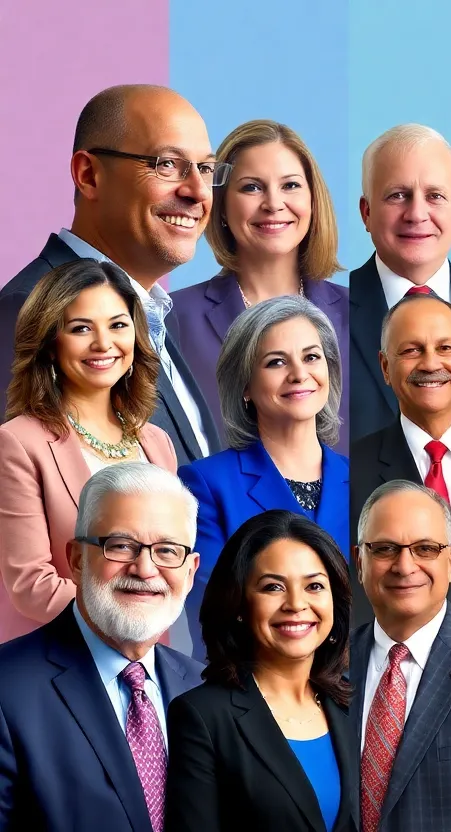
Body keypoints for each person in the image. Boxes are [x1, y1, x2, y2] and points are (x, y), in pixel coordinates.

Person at [0, 84, 222, 462]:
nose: (198, 192)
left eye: (205, 168)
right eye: (167, 164)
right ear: (89, 175)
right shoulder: (29, 309)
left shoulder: (156, 317)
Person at [0, 463, 203, 831]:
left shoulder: (205, 687)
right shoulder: (7, 689)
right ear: (77, 560)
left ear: (189, 572)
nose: (145, 569)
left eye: (167, 550)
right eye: (121, 546)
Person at [0, 259, 177, 642]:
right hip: (58, 657)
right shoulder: (18, 442)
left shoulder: (157, 443)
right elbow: (31, 584)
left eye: (118, 325)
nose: (103, 343)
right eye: (81, 328)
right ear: (50, 344)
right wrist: (130, 612)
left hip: (146, 657)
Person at [164, 510, 358, 832]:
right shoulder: (202, 717)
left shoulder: (358, 702)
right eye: (273, 587)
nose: (296, 604)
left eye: (314, 586)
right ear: (239, 604)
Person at [177, 297, 349, 659]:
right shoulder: (205, 484)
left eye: (311, 357)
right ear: (245, 385)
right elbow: (215, 616)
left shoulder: (364, 483)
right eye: (276, 362)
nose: (299, 374)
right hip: (248, 683)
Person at [168, 120, 350, 453]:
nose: (273, 203)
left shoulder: (363, 316)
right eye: (252, 188)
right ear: (221, 205)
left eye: (290, 185)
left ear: (313, 200)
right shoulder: (172, 318)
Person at [350, 480, 451, 831]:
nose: (405, 566)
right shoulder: (326, 662)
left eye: (425, 549)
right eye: (385, 549)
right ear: (359, 561)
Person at [350, 293, 451, 634]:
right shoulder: (347, 472)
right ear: (385, 367)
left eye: (445, 348)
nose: (430, 364)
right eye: (411, 350)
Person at [349, 124, 451, 443]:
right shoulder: (326, 313)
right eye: (398, 195)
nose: (416, 214)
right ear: (366, 212)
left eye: (435, 196)